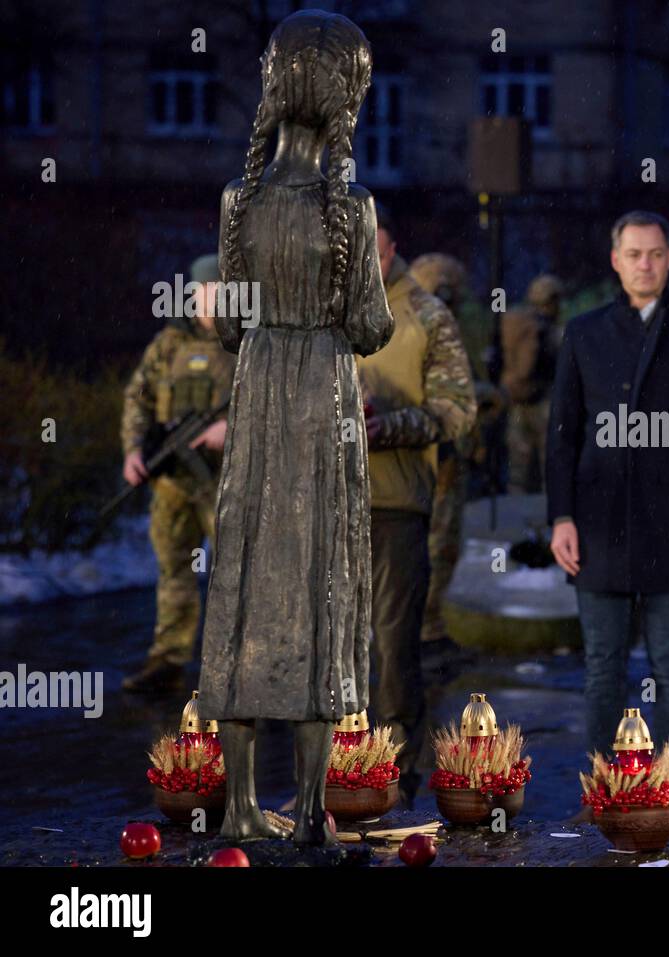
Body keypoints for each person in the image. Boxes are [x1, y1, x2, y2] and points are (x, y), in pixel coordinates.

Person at [197, 9, 394, 844]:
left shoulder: (238, 202)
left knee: (244, 582)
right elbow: (371, 326)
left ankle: (239, 806)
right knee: (323, 581)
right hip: (324, 398)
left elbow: (230, 323)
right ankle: (314, 815)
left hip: (257, 395)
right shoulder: (352, 207)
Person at [547, 211, 669, 761]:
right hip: (598, 524)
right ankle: (603, 787)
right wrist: (561, 516)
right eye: (634, 254)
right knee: (602, 665)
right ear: (615, 260)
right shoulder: (583, 332)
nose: (645, 264)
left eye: (655, 253)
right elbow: (562, 434)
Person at [362, 206, 476, 806]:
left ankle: (396, 775)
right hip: (323, 504)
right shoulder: (321, 311)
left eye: (375, 251)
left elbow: (457, 411)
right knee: (328, 644)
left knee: (392, 642)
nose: (364, 262)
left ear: (392, 247)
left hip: (397, 499)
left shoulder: (427, 315)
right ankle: (334, 771)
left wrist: (387, 424)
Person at [120, 254, 235, 693]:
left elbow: (272, 404)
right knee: (173, 570)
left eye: (220, 291)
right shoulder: (168, 345)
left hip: (227, 483)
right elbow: (139, 398)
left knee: (235, 576)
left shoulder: (246, 345)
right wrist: (133, 450)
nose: (211, 300)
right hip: (172, 482)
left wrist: (232, 429)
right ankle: (167, 660)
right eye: (205, 291)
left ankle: (235, 669)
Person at [407, 252, 507, 646]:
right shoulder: (421, 331)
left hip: (442, 452)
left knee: (437, 545)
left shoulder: (437, 326)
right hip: (432, 453)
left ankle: (422, 629)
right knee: (433, 545)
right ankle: (421, 631)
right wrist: (486, 395)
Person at [501, 273, 564, 494]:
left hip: (516, 401)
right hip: (544, 402)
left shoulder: (515, 322)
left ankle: (514, 513)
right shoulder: (551, 330)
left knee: (517, 467)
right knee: (551, 465)